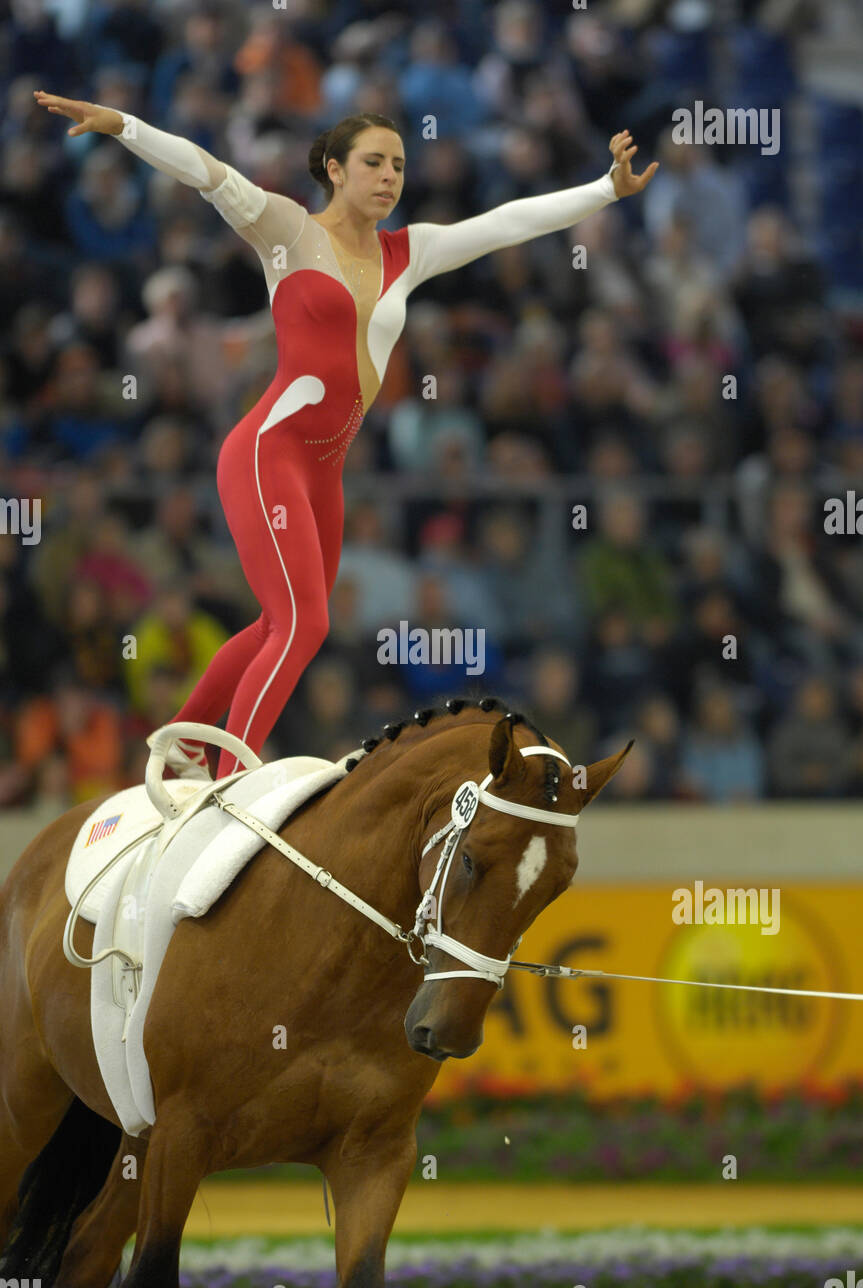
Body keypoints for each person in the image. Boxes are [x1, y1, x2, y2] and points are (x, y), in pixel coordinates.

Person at [35, 88, 658, 779]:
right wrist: (123, 125)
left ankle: (183, 746)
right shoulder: (288, 230)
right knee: (303, 624)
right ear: (334, 169)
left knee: (279, 625)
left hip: (323, 475)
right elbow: (206, 170)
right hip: (267, 453)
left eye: (399, 165)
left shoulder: (409, 253)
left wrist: (605, 189)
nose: (389, 176)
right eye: (373, 162)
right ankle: (226, 781)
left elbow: (504, 223)